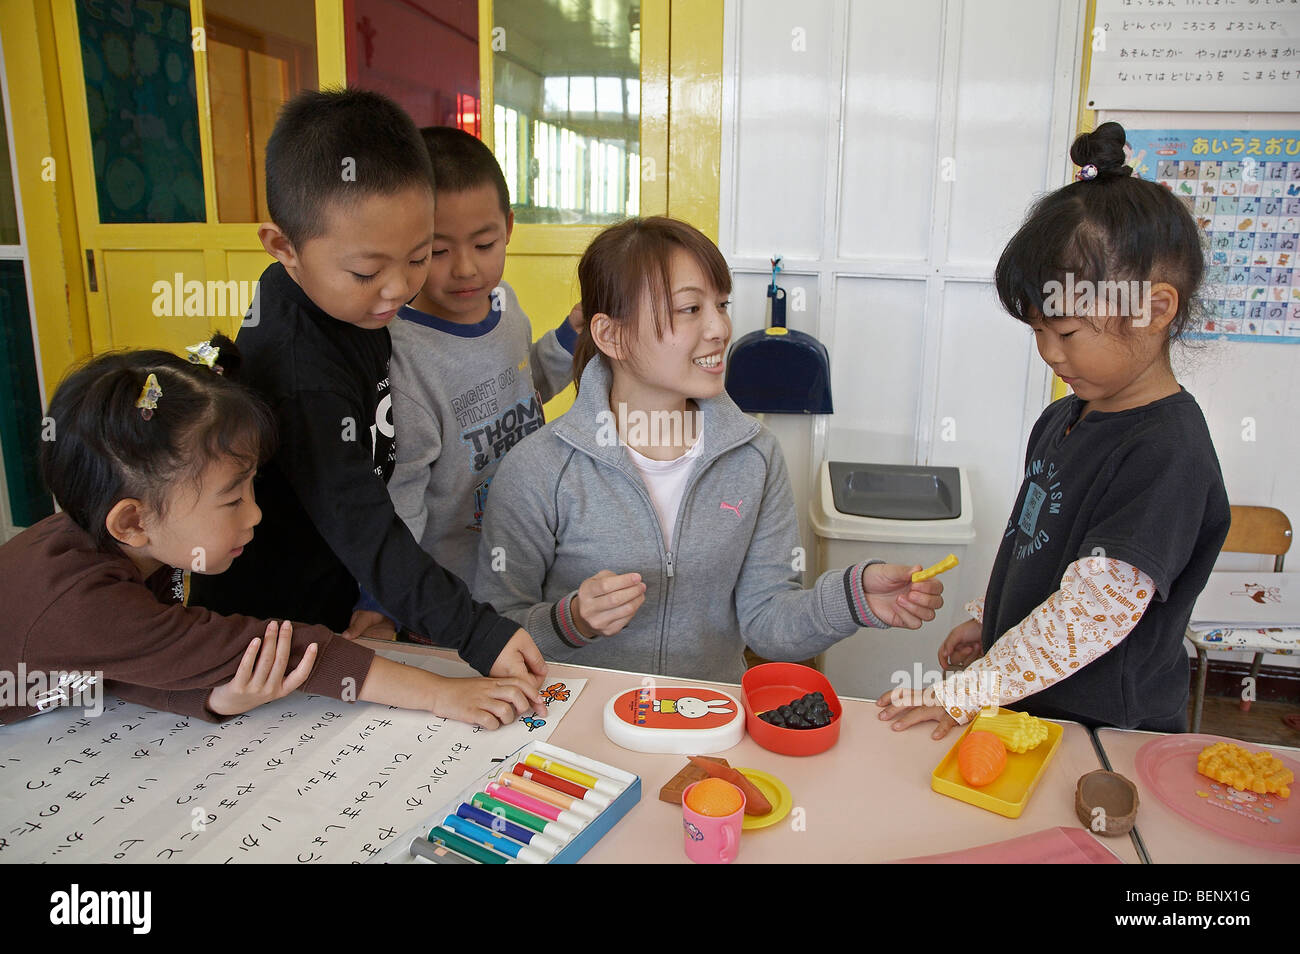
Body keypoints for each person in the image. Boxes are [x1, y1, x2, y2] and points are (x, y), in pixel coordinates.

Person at [473, 216, 943, 682]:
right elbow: (494, 630)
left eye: (721, 304)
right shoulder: (540, 468)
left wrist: (853, 598)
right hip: (574, 727)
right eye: (690, 309)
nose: (720, 328)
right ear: (611, 334)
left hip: (706, 723)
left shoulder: (755, 457)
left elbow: (767, 621)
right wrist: (571, 620)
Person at [877, 122, 1231, 736]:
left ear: (1155, 310)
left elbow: (1093, 610)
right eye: (1037, 331)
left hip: (1106, 729)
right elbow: (1032, 545)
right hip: (1033, 705)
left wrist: (974, 687)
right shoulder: (1062, 419)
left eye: (1065, 332)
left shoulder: (1167, 453)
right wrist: (992, 626)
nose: (1049, 353)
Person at [186, 88, 546, 688]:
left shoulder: (351, 304)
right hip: (280, 627)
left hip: (349, 595)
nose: (397, 290)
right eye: (367, 271)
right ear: (284, 247)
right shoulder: (300, 371)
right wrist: (476, 631)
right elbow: (358, 517)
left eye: (415, 258)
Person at [1, 337, 543, 728]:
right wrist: (440, 694)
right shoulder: (82, 603)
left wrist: (216, 700)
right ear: (133, 521)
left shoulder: (113, 542)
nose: (256, 515)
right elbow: (281, 650)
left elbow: (126, 665)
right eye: (233, 497)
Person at [383, 126, 581, 597]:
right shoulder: (403, 354)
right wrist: (389, 597)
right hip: (453, 585)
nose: (466, 269)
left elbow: (522, 385)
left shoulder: (505, 304)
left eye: (485, 244)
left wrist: (570, 339)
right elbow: (402, 494)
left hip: (528, 547)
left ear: (508, 228)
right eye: (437, 251)